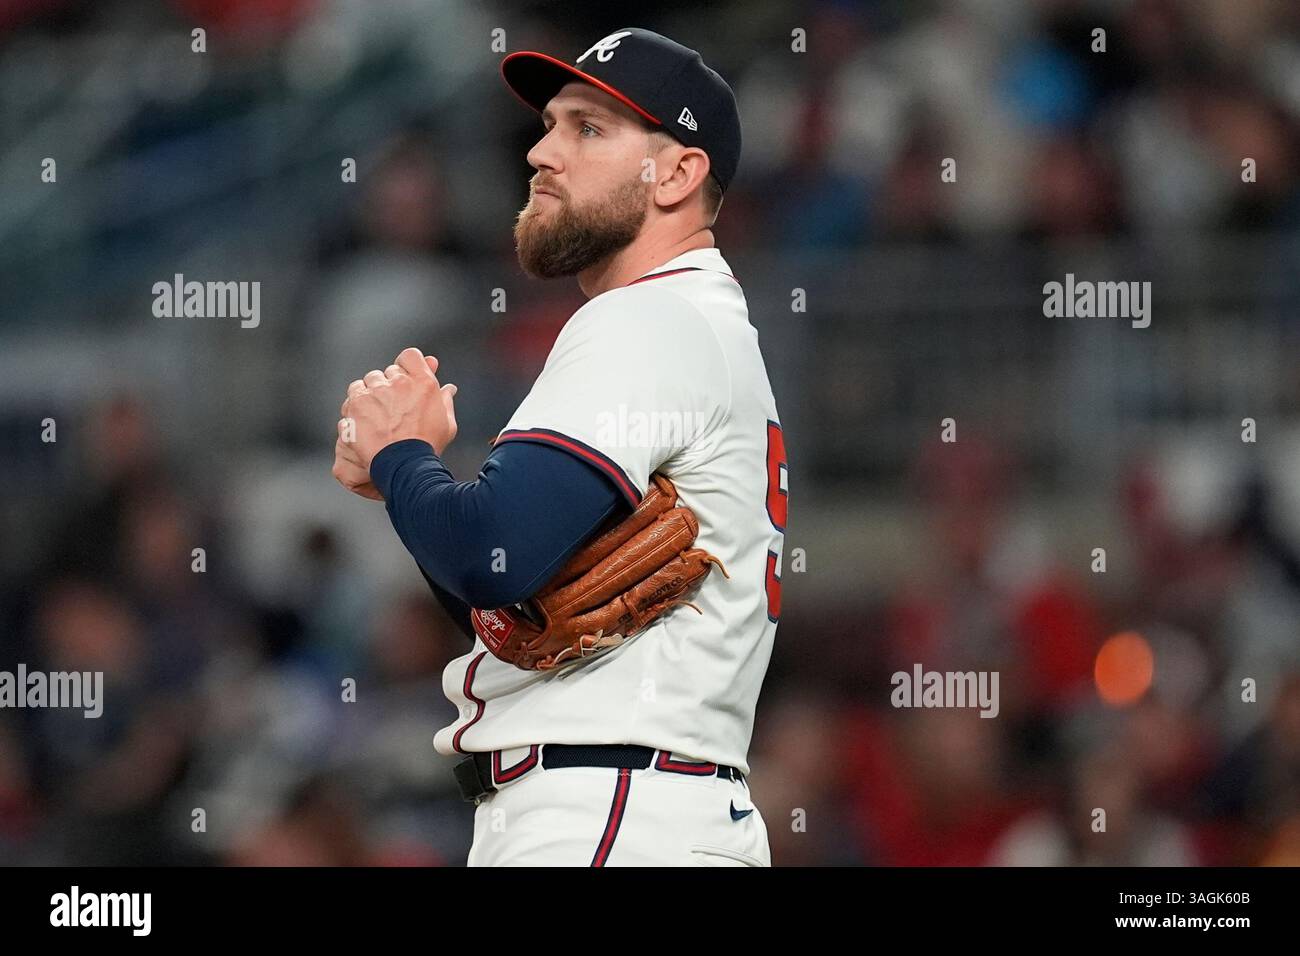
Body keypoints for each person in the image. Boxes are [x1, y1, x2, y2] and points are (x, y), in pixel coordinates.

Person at [332, 27, 786, 866]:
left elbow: (488, 553)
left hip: (605, 811)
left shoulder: (648, 317)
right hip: (647, 806)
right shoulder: (700, 322)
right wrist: (409, 492)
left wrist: (403, 458)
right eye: (548, 124)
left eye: (588, 128)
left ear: (678, 174)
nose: (542, 152)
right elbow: (510, 613)